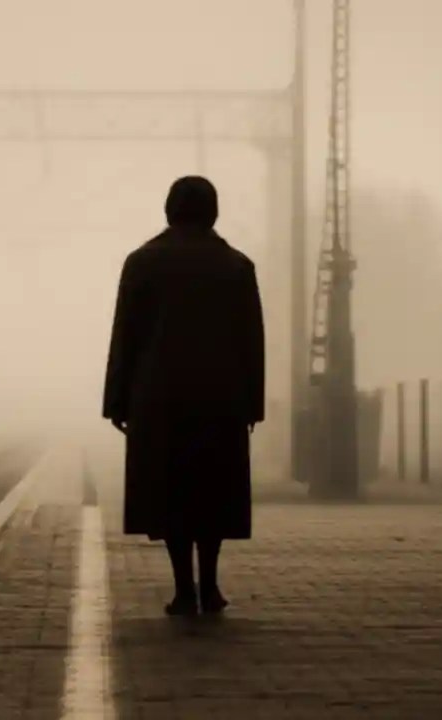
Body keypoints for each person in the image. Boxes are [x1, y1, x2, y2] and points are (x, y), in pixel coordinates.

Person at [102, 175, 265, 616]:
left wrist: (116, 400)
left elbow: (126, 336)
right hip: (221, 397)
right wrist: (253, 402)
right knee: (213, 492)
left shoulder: (142, 262)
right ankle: (211, 586)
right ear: (213, 211)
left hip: (158, 398)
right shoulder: (237, 266)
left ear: (169, 210)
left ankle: (182, 589)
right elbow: (252, 341)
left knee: (170, 491)